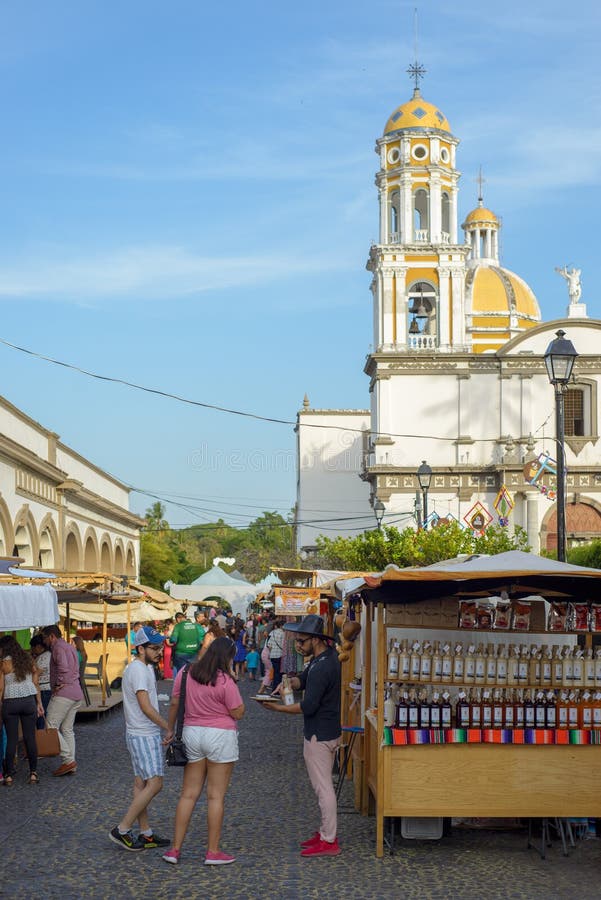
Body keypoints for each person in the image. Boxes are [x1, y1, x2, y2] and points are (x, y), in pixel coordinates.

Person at [262, 614, 341, 858]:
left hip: (320, 732)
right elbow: (303, 681)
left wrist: (278, 708)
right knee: (323, 786)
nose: (297, 645)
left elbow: (308, 707)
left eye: (301, 641)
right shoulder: (323, 659)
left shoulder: (323, 666)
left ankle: (329, 840)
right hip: (325, 729)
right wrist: (288, 682)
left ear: (316, 640)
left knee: (323, 789)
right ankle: (325, 832)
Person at [162, 637, 244, 866]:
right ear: (227, 657)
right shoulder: (226, 680)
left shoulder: (186, 672)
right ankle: (213, 851)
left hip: (191, 733)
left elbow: (175, 703)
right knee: (215, 796)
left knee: (188, 794)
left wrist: (170, 730)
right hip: (220, 736)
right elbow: (238, 712)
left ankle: (175, 850)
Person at [109, 626, 170, 852]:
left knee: (141, 783)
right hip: (144, 733)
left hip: (138, 732)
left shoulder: (143, 668)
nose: (158, 652)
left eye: (160, 647)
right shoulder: (138, 670)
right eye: (154, 648)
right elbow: (145, 706)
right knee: (155, 784)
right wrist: (167, 727)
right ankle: (122, 828)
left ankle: (146, 834)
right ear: (141, 648)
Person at [0, 636, 43, 785]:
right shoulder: (28, 659)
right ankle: (33, 773)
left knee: (11, 740)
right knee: (29, 738)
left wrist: (1, 704)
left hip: (10, 703)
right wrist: (39, 703)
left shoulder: (4, 663)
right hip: (28, 701)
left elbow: (1, 688)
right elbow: (35, 682)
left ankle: (9, 776)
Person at [42, 624, 84, 777]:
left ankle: (68, 760)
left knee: (51, 725)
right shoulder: (69, 646)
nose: (44, 641)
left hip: (64, 693)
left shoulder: (58, 648)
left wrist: (59, 683)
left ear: (52, 636)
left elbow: (63, 668)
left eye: (45, 638)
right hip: (76, 692)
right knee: (67, 729)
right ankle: (70, 763)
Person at [169, 612, 202, 678]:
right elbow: (202, 639)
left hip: (181, 654)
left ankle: (182, 687)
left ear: (178, 619)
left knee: (182, 674)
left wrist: (170, 637)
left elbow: (173, 640)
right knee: (193, 674)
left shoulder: (178, 626)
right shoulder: (196, 625)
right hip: (194, 653)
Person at [30, 634, 52, 725]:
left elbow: (36, 673)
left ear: (38, 646)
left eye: (32, 647)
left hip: (43, 689)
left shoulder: (45, 657)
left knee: (41, 713)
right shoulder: (42, 656)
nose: (32, 650)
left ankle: (41, 734)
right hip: (42, 689)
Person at [266, 619, 285, 691]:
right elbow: (283, 645)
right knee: (279, 674)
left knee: (275, 673)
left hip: (272, 655)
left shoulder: (272, 632)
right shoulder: (282, 633)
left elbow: (269, 645)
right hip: (279, 655)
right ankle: (277, 690)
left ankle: (274, 689)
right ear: (281, 626)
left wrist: (270, 653)